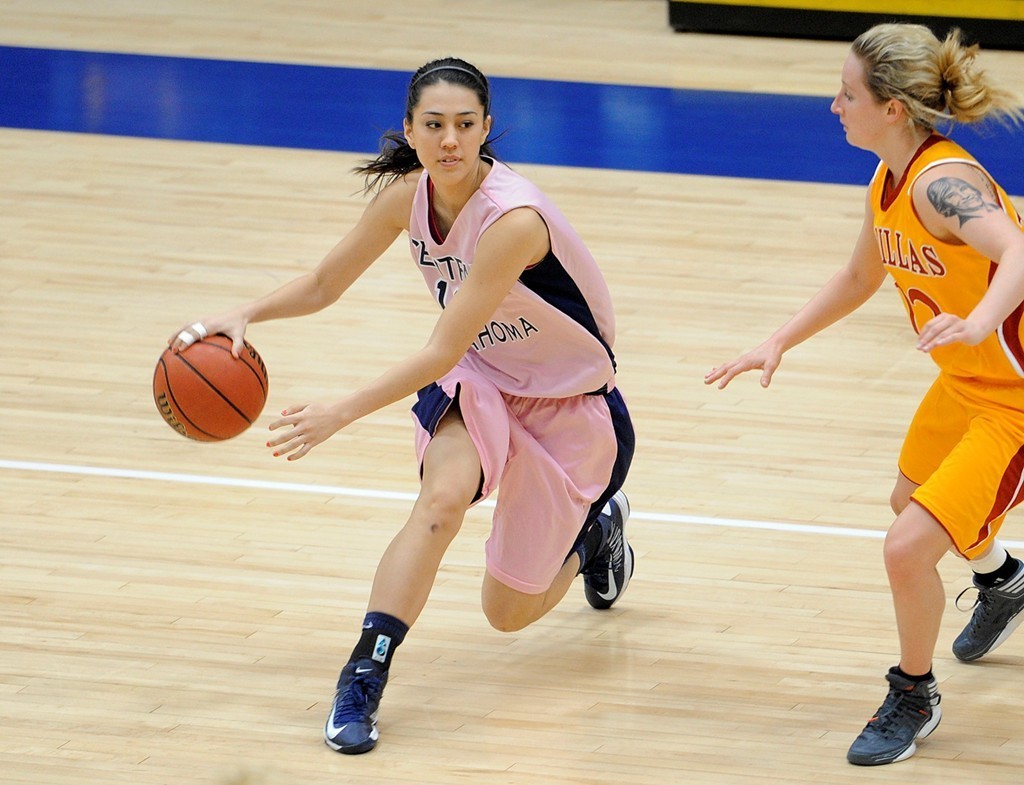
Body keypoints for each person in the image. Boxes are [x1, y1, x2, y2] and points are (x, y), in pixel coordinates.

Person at [168, 57, 635, 755]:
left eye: (465, 125)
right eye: (435, 125)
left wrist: (340, 410)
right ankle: (363, 674)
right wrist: (247, 312)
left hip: (569, 406)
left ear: (486, 129)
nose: (450, 140)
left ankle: (597, 535)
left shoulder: (512, 221)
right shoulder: (404, 198)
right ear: (410, 131)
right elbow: (326, 281)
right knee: (441, 502)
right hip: (481, 377)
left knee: (506, 613)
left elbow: (440, 348)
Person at [705, 23, 1024, 767]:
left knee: (907, 547)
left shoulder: (946, 183)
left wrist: (979, 320)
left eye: (847, 94)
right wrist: (778, 339)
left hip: (1015, 402)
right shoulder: (887, 179)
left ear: (894, 109)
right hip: (967, 384)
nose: (834, 106)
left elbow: (1019, 249)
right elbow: (859, 276)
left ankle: (914, 691)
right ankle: (1003, 580)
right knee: (907, 499)